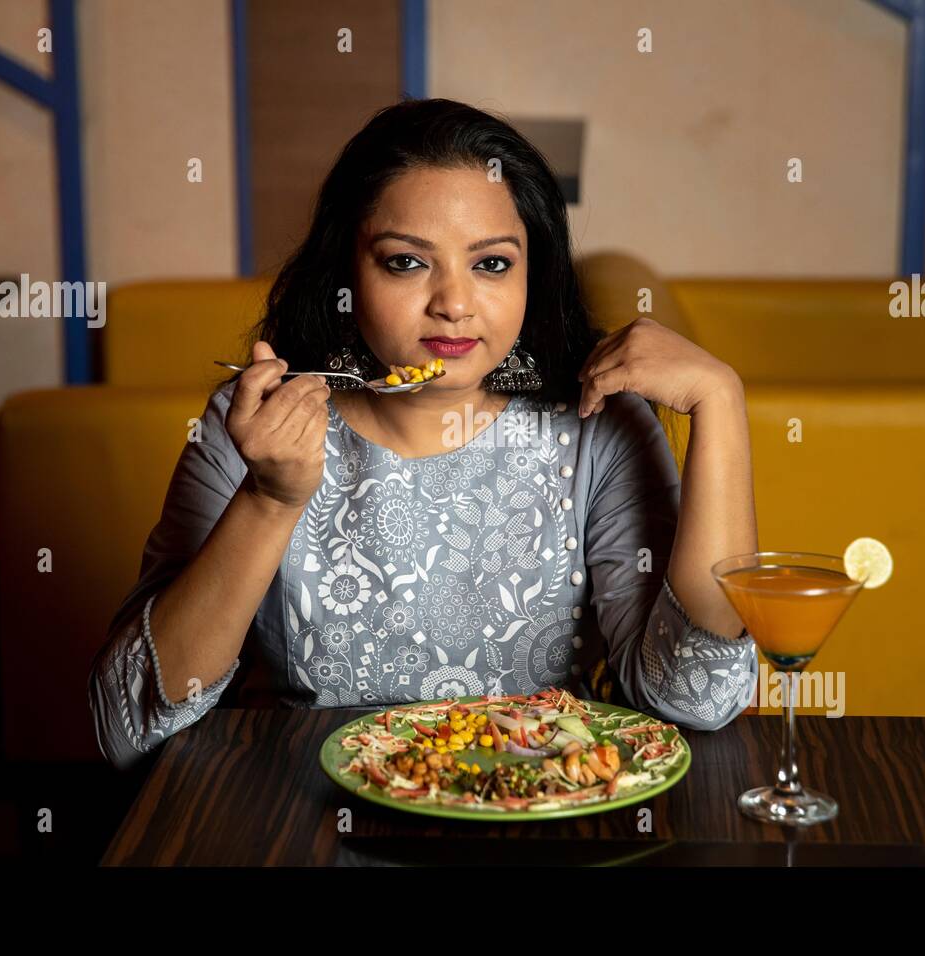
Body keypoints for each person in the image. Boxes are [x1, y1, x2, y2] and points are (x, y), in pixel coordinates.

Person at [88, 98, 759, 770]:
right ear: (346, 273)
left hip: (539, 816)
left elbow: (694, 696)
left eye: (491, 264)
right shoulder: (257, 422)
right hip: (308, 821)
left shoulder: (597, 425)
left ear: (535, 274)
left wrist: (721, 402)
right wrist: (270, 499)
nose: (455, 303)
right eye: (406, 262)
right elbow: (126, 725)